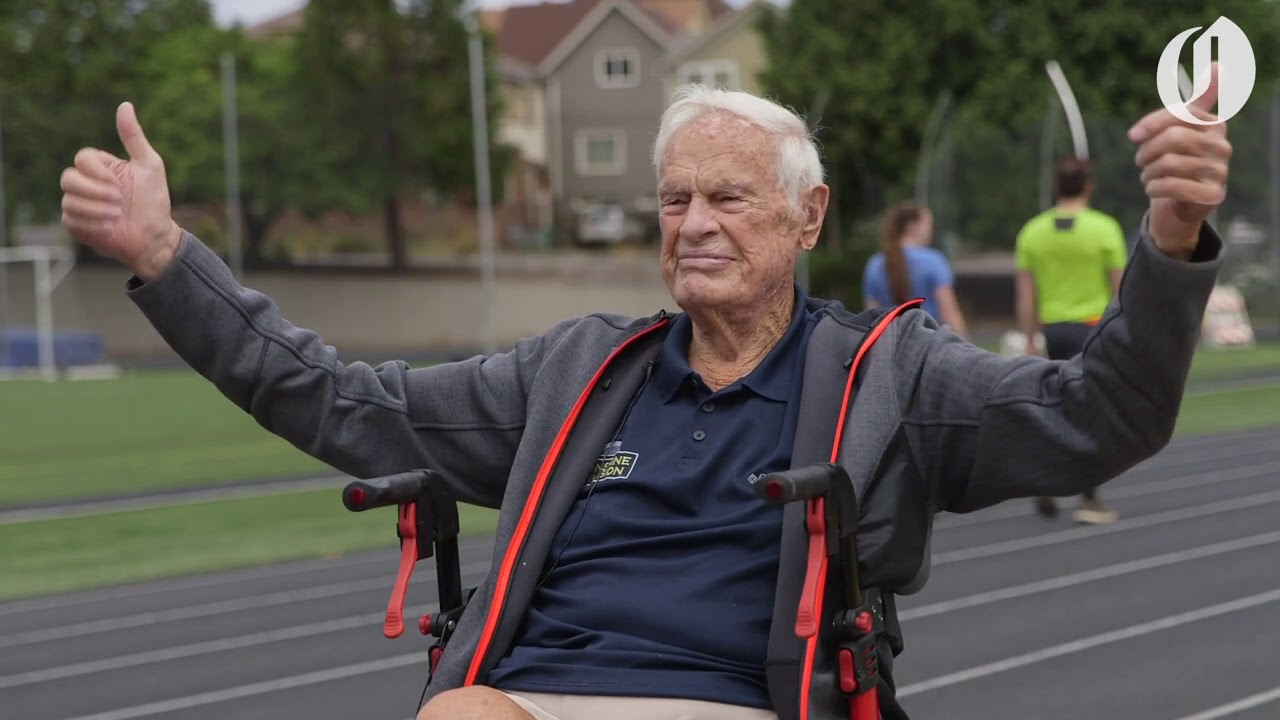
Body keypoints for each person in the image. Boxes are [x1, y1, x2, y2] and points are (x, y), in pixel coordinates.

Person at [58, 72, 1231, 720]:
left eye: (726, 197)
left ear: (804, 218)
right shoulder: (577, 371)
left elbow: (1096, 419)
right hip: (520, 702)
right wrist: (167, 258)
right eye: (674, 202)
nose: (694, 225)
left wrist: (1171, 239)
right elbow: (343, 401)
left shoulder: (890, 375)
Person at [1014, 157, 1131, 526]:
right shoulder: (1104, 229)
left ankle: (1045, 477)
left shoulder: (1033, 231)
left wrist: (1030, 337)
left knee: (1056, 406)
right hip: (1094, 328)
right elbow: (1121, 289)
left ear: (1056, 187)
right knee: (1094, 411)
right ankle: (1089, 497)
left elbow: (1026, 294)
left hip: (1054, 329)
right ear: (1088, 187)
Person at [863, 201, 968, 338]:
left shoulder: (875, 264)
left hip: (888, 347)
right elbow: (949, 314)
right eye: (929, 225)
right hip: (929, 347)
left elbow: (871, 315)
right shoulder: (934, 261)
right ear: (913, 226)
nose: (931, 231)